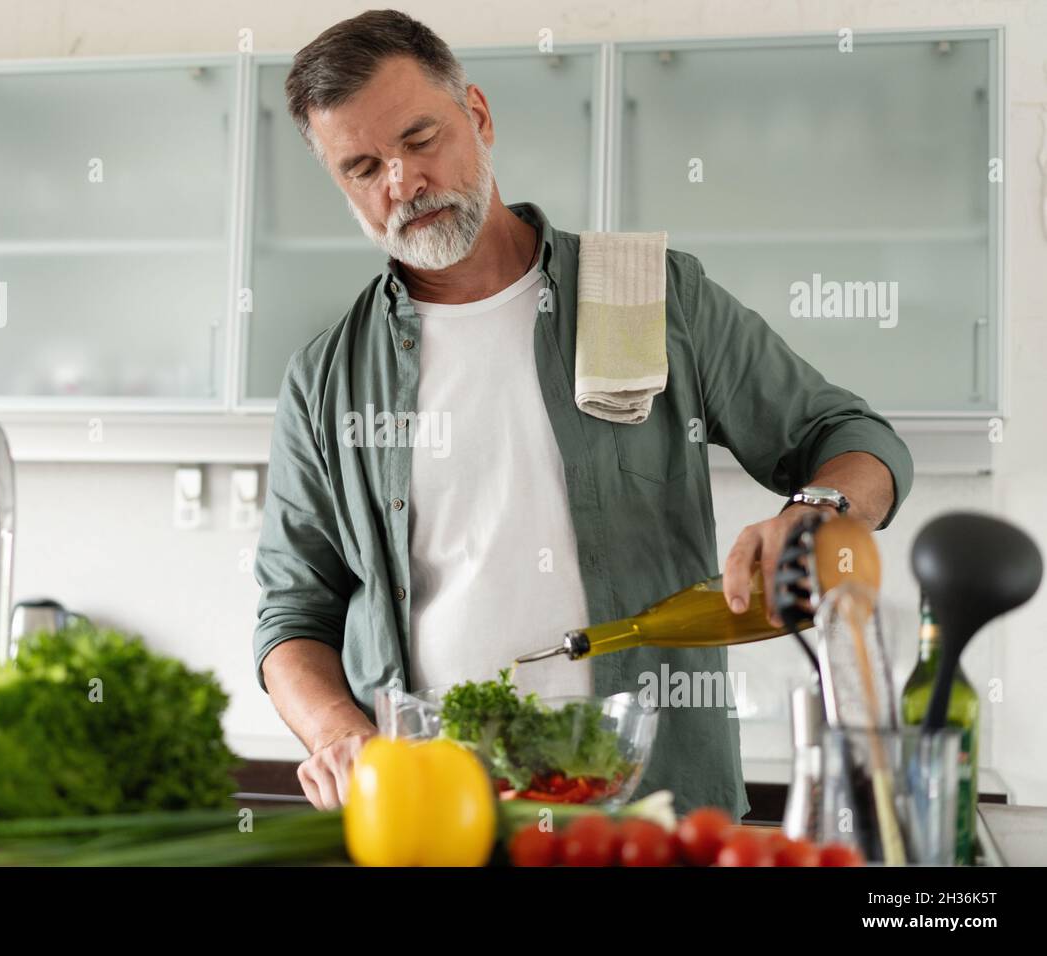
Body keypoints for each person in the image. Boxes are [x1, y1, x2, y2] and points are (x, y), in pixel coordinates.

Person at [253, 10, 912, 812]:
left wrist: (819, 509)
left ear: (479, 115)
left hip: (653, 806)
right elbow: (295, 608)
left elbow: (848, 437)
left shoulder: (642, 295)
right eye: (362, 167)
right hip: (439, 816)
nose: (402, 183)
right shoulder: (326, 379)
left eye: (420, 139)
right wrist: (333, 732)